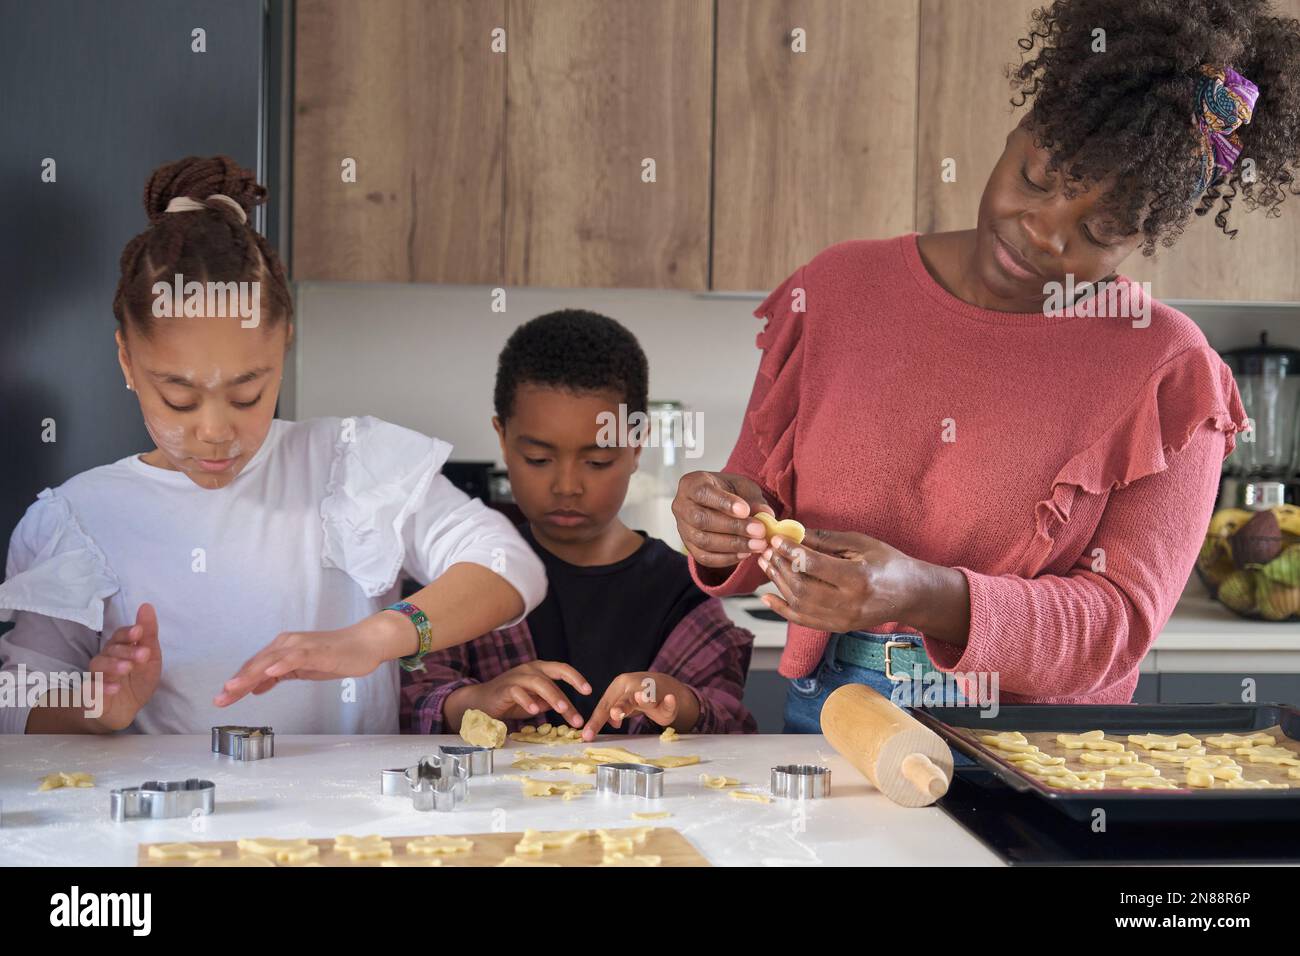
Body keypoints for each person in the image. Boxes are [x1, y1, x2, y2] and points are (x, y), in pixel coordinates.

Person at [673, 0, 1300, 732]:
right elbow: (755, 527)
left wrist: (922, 594)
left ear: (1145, 236)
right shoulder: (839, 292)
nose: (1042, 231)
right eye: (1036, 178)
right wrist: (718, 523)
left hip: (1036, 750)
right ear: (1014, 134)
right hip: (837, 725)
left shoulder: (1170, 369)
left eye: (1099, 230)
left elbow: (1119, 625)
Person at [0, 156, 545, 734]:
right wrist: (96, 707)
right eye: (179, 398)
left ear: (284, 346)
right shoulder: (78, 518)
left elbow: (509, 566)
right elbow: (15, 701)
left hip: (352, 822)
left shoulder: (349, 465)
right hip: (159, 824)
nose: (214, 430)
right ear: (127, 361)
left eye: (247, 393)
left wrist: (377, 636)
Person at [403, 310, 756, 737]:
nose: (567, 486)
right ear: (502, 438)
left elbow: (729, 720)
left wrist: (679, 703)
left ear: (636, 445)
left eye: (597, 461)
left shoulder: (683, 592)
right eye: (538, 459)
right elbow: (414, 700)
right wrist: (476, 702)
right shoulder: (467, 576)